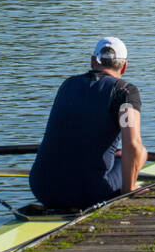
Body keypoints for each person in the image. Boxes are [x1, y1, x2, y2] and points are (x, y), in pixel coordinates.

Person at [29, 38, 147, 211]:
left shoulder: (67, 85)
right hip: (89, 193)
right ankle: (124, 186)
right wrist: (128, 190)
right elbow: (133, 145)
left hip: (41, 188)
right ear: (124, 67)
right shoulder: (125, 93)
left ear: (93, 61)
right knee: (141, 153)